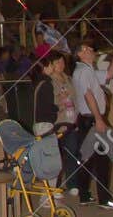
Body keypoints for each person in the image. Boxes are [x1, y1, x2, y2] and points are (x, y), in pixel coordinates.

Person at [71, 40, 113, 210]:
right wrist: (99, 119)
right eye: (88, 49)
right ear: (80, 54)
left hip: (89, 119)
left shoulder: (88, 70)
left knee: (88, 158)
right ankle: (104, 199)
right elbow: (88, 95)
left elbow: (108, 75)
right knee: (103, 159)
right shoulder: (82, 72)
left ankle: (84, 194)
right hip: (92, 119)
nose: (93, 50)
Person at [33, 53, 79, 188]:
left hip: (67, 121)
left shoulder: (68, 79)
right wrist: (62, 102)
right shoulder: (47, 83)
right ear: (48, 66)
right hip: (53, 124)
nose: (60, 65)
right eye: (56, 63)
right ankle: (50, 192)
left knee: (70, 152)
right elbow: (48, 106)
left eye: (62, 62)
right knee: (52, 159)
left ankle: (69, 185)